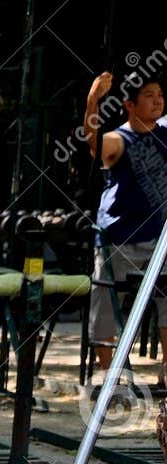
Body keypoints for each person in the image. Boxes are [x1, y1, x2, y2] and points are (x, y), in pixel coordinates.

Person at [83, 70, 167, 389]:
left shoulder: (165, 133)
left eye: (159, 94)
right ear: (129, 105)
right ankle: (110, 379)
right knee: (105, 307)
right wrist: (93, 101)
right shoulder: (119, 139)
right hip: (117, 239)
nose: (157, 99)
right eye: (149, 95)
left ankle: (166, 376)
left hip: (158, 240)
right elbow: (93, 142)